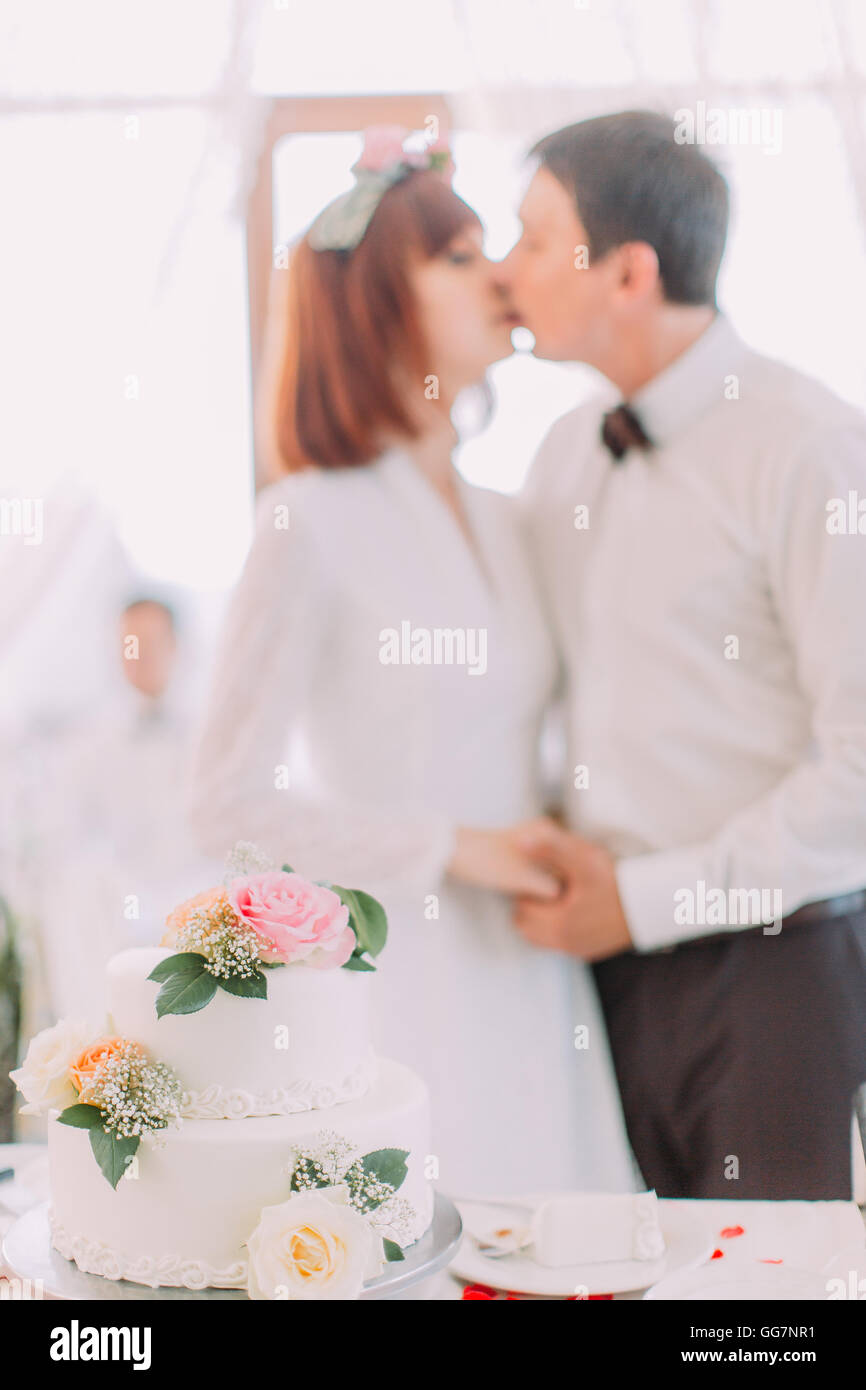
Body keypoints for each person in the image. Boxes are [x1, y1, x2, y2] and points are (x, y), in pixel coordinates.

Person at [187, 126, 639, 1197]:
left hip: (537, 968)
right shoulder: (307, 521)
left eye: (491, 245)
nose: (494, 274)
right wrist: (455, 846)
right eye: (454, 254)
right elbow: (225, 805)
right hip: (401, 979)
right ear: (372, 300)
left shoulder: (510, 513)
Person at [498, 110, 866, 1199]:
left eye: (530, 239)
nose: (506, 273)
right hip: (593, 977)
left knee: (766, 1320)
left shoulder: (808, 445)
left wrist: (648, 898)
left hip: (777, 978)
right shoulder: (563, 452)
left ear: (626, 271)